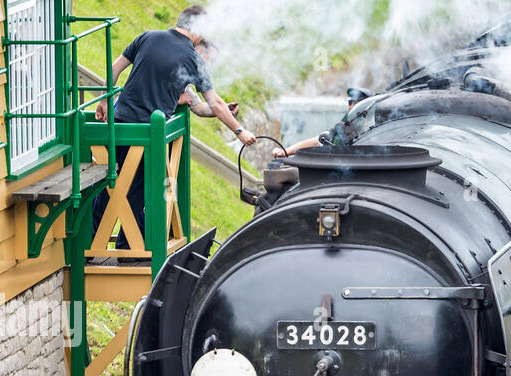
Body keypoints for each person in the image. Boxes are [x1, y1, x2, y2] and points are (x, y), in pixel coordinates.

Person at [91, 5, 256, 248]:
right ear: (199, 30)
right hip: (149, 136)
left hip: (119, 127)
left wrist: (105, 99)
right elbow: (215, 102)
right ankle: (130, 248)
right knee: (142, 191)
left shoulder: (147, 36)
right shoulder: (192, 58)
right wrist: (240, 131)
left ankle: (92, 242)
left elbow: (112, 70)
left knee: (110, 186)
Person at [275, 87, 373, 157]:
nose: (351, 106)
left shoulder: (372, 125)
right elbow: (319, 140)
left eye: (355, 103)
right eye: (349, 103)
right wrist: (285, 152)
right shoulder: (348, 126)